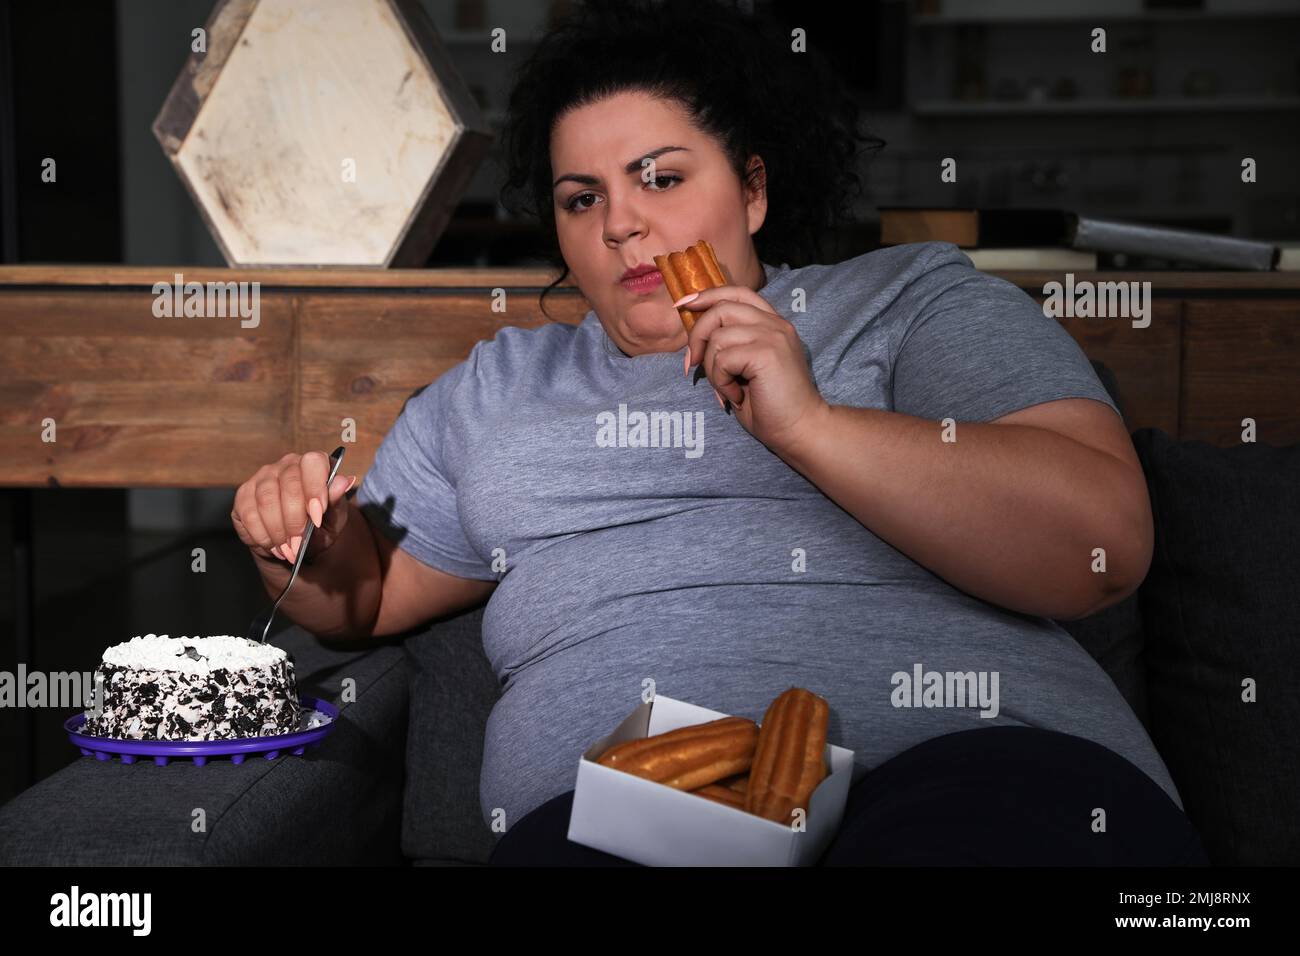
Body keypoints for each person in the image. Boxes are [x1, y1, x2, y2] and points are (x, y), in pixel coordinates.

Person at [230, 0, 1209, 866]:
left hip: (979, 764)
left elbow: (1100, 544)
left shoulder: (908, 299)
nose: (622, 224)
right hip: (625, 809)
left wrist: (813, 426)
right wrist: (297, 543)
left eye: (658, 177)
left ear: (750, 189)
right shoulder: (495, 386)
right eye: (583, 198)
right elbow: (360, 595)